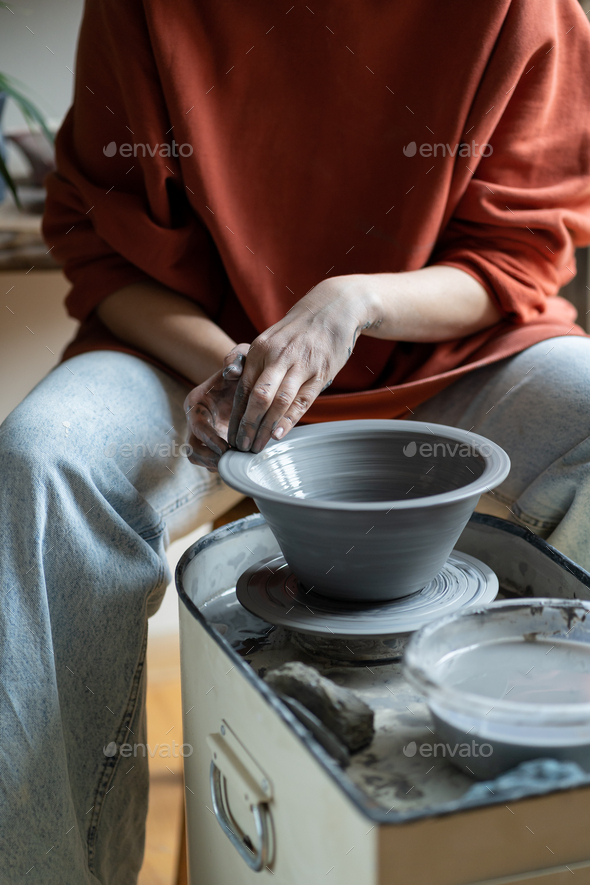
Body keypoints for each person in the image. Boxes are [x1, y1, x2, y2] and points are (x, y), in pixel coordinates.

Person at [1, 0, 590, 881]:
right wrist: (239, 371)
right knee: (41, 461)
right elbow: (101, 251)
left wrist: (356, 301)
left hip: (446, 350)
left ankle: (547, 824)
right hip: (195, 355)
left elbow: (517, 255)